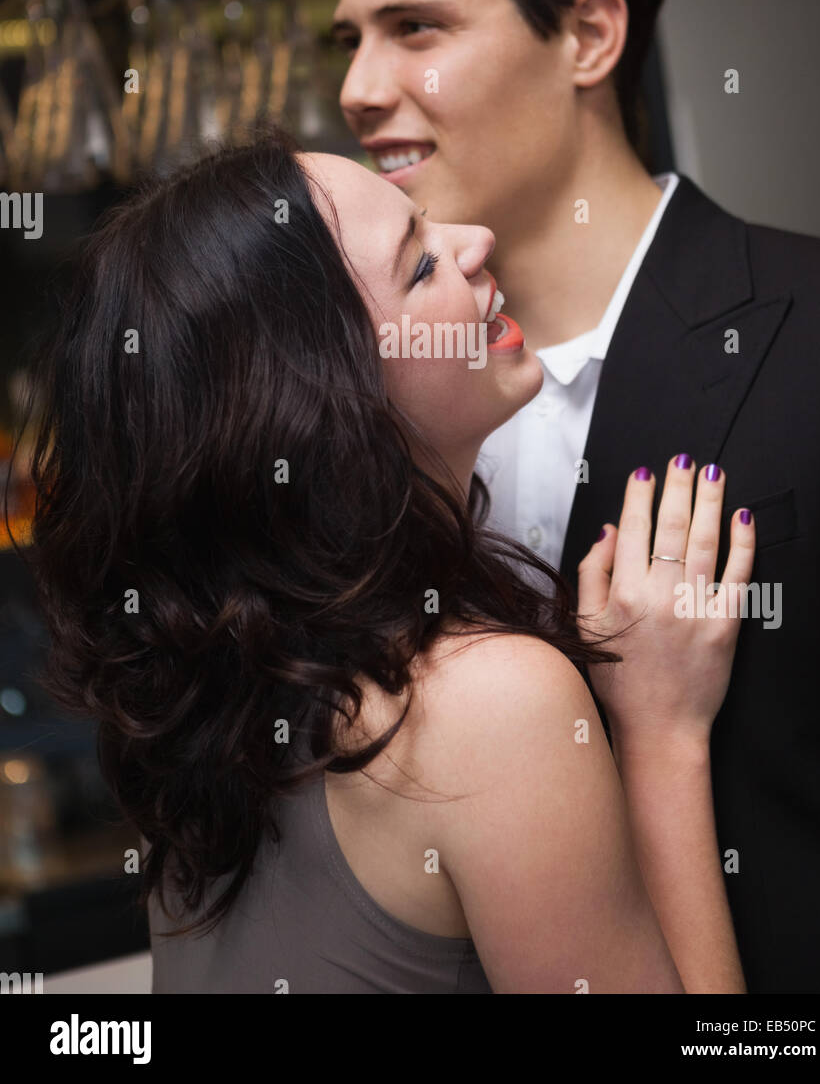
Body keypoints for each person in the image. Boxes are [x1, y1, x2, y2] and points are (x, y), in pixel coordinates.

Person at [324, 0, 820, 994]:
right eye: (348, 38)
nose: (359, 87)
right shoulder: (375, 400)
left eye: (413, 28)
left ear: (586, 36)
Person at [25, 126, 754, 994]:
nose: (475, 243)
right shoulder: (489, 704)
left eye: (428, 224)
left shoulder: (199, 702)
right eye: (419, 266)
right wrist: (664, 734)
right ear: (323, 404)